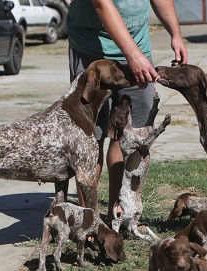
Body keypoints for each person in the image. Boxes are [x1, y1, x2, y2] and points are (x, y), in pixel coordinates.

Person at [67, 0, 188, 224]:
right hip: (91, 52)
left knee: (132, 137)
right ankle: (88, 221)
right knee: (90, 141)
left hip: (137, 48)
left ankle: (119, 213)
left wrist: (176, 34)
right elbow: (102, 4)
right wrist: (133, 56)